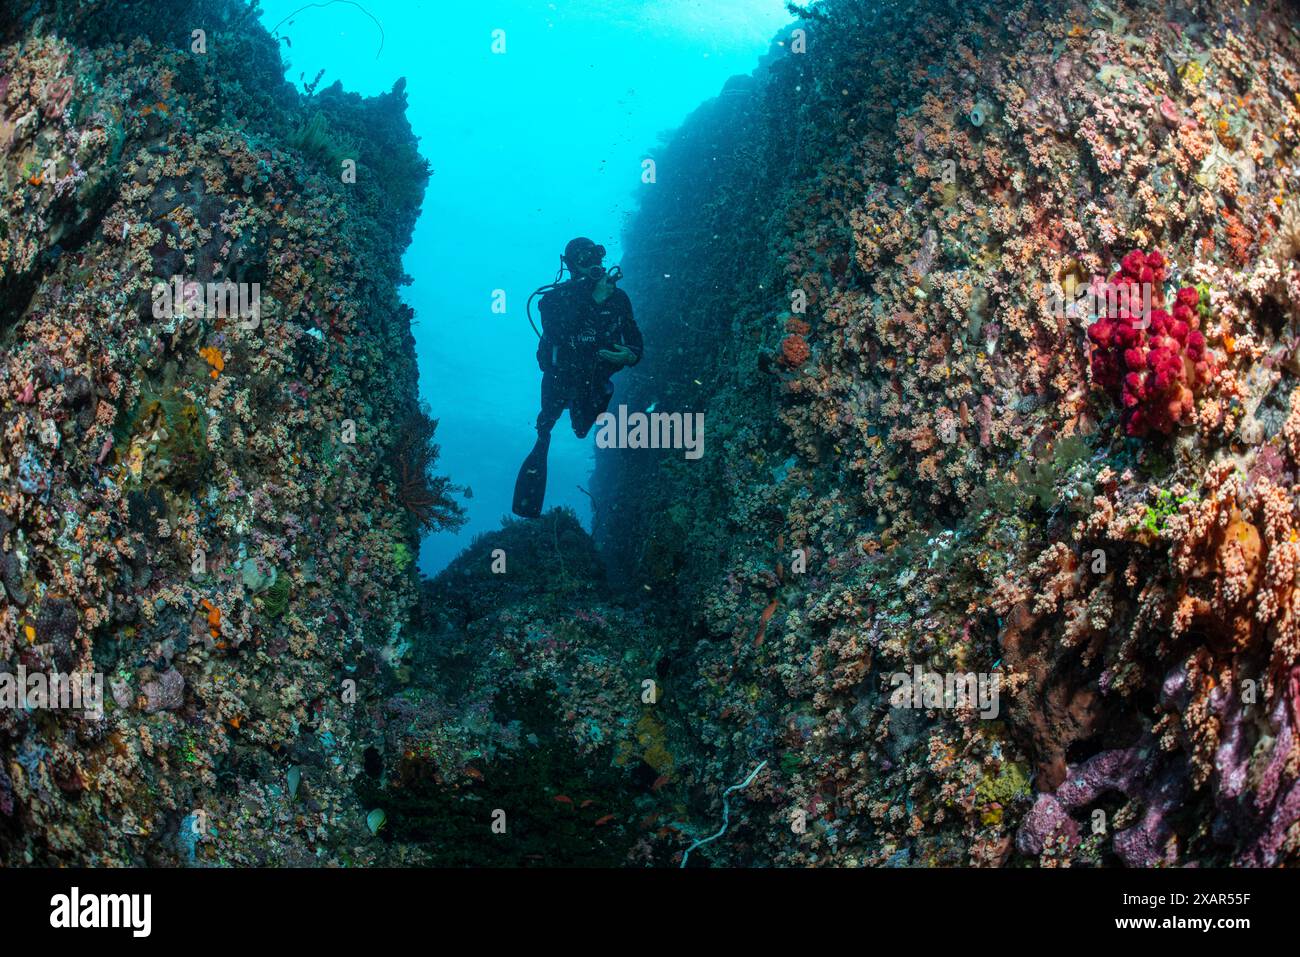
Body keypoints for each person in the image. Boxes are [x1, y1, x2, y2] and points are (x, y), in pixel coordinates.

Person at [512, 237, 643, 518]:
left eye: (595, 255)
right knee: (545, 425)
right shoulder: (553, 299)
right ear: (570, 264)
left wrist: (630, 356)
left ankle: (578, 417)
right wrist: (593, 301)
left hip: (595, 378)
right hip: (560, 376)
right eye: (583, 258)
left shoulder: (618, 298)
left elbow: (634, 341)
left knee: (583, 429)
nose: (592, 262)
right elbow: (558, 334)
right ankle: (535, 470)